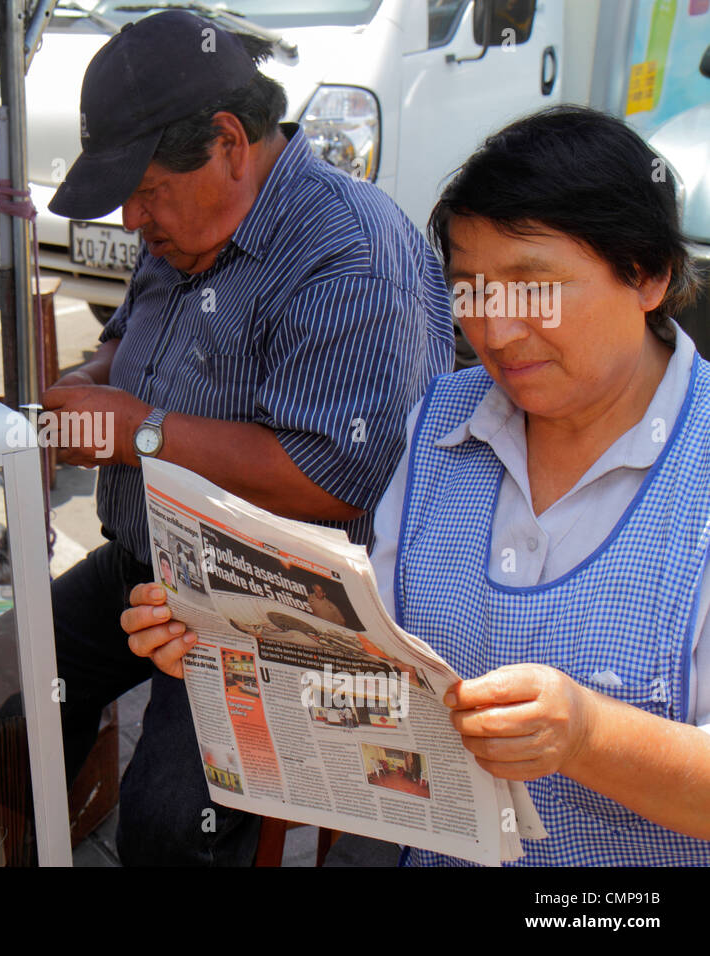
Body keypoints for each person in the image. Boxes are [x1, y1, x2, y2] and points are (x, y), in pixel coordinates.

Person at [123, 106, 710, 865]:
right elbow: (381, 685)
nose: (495, 331)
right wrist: (227, 653)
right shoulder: (445, 420)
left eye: (533, 288)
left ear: (649, 275)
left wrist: (589, 735)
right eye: (470, 289)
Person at [0, 10, 453, 866]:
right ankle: (49, 824)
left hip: (276, 597)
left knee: (167, 828)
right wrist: (90, 383)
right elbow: (131, 335)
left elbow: (340, 477)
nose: (130, 216)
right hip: (147, 559)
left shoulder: (349, 249)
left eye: (146, 189)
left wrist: (140, 435)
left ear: (230, 142)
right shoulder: (187, 225)